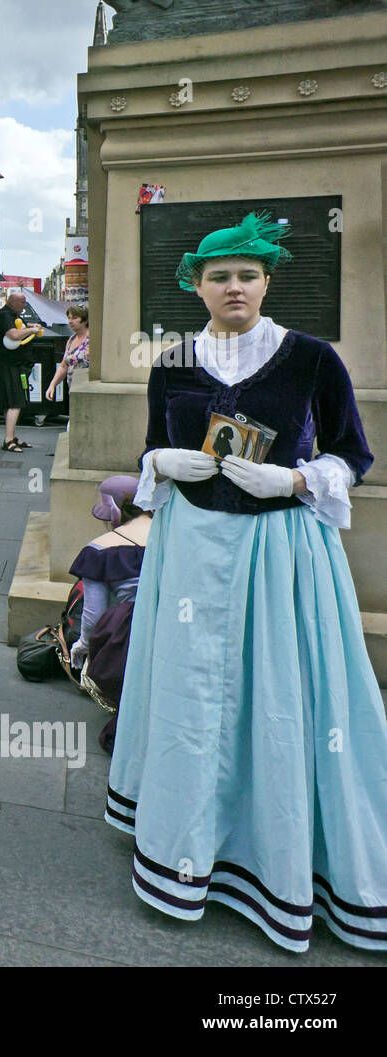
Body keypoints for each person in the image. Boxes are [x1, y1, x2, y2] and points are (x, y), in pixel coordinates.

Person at [107, 212, 387, 953]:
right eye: (220, 275)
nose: (234, 286)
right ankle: (187, 841)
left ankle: (274, 854)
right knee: (194, 698)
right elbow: (150, 448)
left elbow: (352, 455)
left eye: (247, 275)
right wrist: (163, 465)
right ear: (196, 285)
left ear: (266, 282)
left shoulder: (310, 358)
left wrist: (294, 476)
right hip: (192, 548)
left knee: (276, 693)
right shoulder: (172, 360)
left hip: (279, 551)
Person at [67, 476, 149, 748]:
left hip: (135, 634)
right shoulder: (173, 533)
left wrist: (82, 647)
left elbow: (93, 617)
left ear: (114, 511)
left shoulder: (100, 549)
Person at [0, 292, 44, 452]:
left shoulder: (12, 315)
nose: (24, 306)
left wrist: (31, 327)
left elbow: (18, 327)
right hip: (10, 365)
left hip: (17, 365)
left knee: (13, 401)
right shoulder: (4, 315)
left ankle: (12, 436)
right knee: (16, 401)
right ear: (14, 302)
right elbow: (13, 334)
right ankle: (8, 440)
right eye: (23, 303)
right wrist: (32, 331)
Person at [45, 304, 90, 402]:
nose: (70, 321)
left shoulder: (92, 339)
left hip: (88, 390)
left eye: (74, 318)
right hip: (73, 390)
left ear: (85, 320)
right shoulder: (71, 339)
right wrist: (52, 384)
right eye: (69, 318)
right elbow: (64, 366)